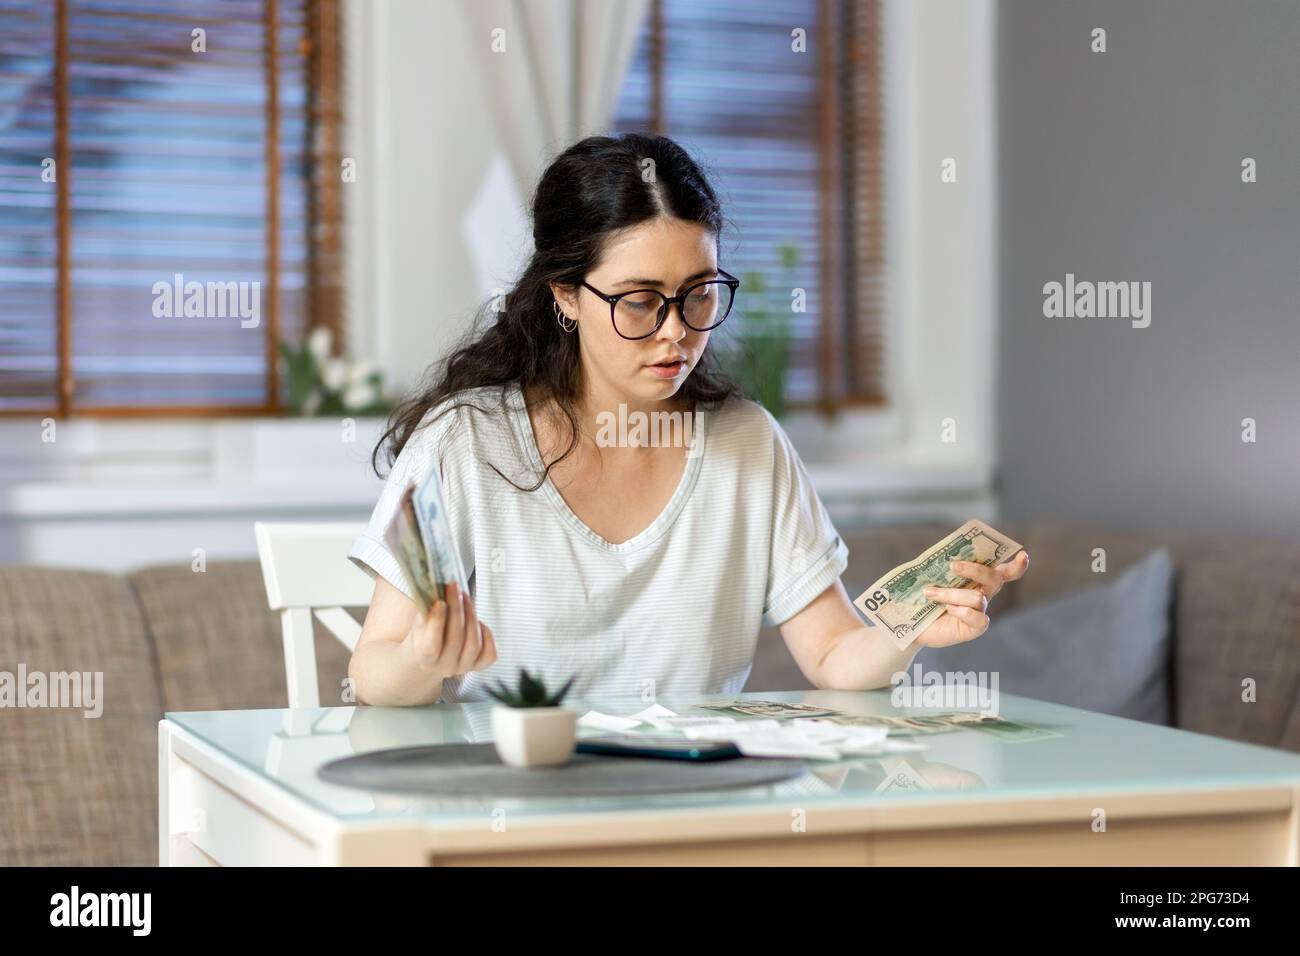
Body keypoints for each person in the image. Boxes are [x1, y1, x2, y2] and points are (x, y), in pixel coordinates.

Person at [346, 133, 1028, 707]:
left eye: (699, 295)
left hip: (697, 814)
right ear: (565, 295)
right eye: (640, 301)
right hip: (520, 812)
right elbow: (372, 670)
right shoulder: (468, 446)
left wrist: (909, 628)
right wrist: (422, 657)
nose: (677, 332)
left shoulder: (747, 444)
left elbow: (833, 655)